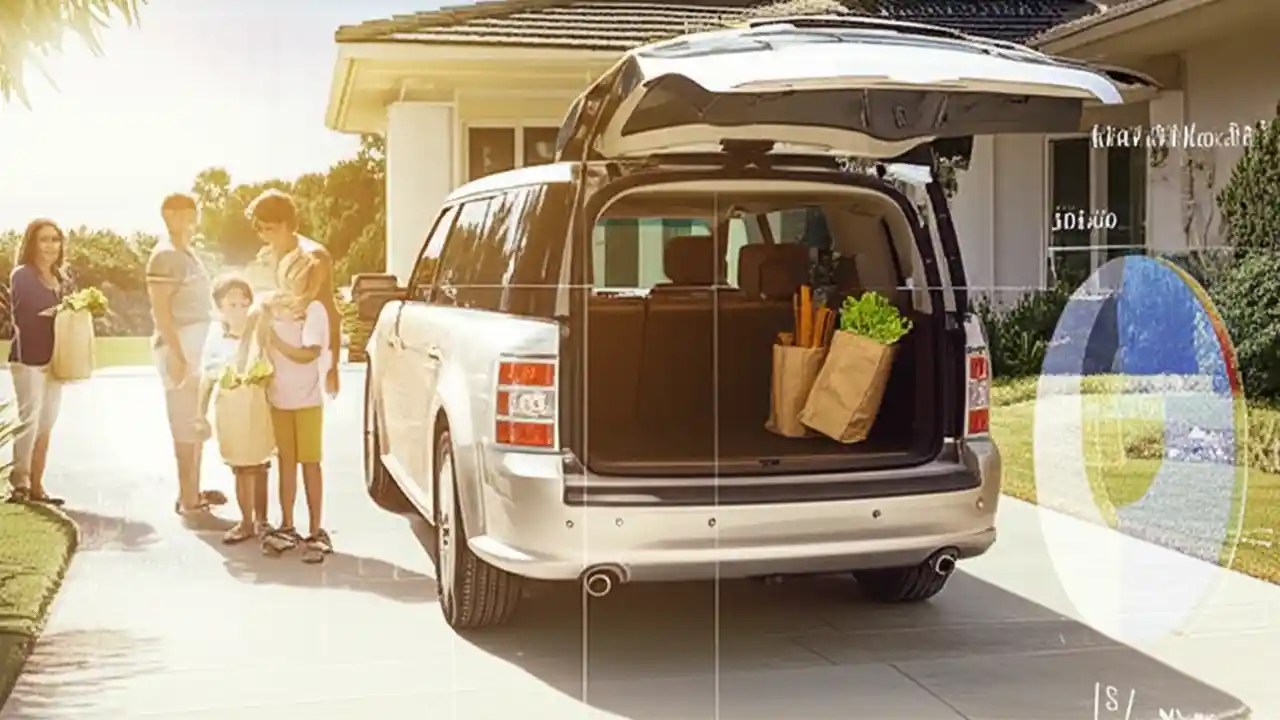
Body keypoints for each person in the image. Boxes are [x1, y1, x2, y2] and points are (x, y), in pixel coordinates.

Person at [146, 192, 226, 522]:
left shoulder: (186, 252)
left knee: (195, 421)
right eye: (175, 213)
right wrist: (177, 355)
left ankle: (192, 490)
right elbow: (161, 310)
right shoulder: (164, 255)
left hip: (198, 344)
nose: (183, 219)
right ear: (165, 216)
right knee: (182, 422)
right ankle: (187, 497)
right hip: (179, 344)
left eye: (189, 212)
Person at [258, 250, 332, 563]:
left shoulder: (315, 311)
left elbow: (309, 353)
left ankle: (316, 529)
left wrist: (278, 343)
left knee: (310, 464)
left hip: (307, 401)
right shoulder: (271, 308)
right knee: (285, 463)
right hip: (279, 399)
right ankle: (287, 524)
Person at [243, 189, 341, 398]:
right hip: (272, 346)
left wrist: (333, 365)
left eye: (270, 229)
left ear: (287, 223)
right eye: (260, 230)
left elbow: (330, 311)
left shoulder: (314, 257)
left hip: (303, 349)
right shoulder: (267, 254)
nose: (264, 236)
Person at [196, 274, 270, 543]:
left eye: (243, 304)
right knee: (241, 466)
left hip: (258, 405)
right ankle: (246, 521)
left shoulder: (261, 333)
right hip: (230, 407)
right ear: (219, 308)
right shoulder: (215, 338)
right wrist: (199, 414)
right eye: (231, 305)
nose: (238, 311)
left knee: (260, 463)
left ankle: (262, 520)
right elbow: (207, 378)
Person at [6, 219, 69, 505]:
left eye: (55, 240)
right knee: (29, 422)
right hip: (29, 358)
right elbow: (23, 315)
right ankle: (19, 484)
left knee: (46, 424)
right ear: (32, 243)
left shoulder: (62, 278)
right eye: (44, 240)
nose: (50, 246)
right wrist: (62, 310)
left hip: (56, 359)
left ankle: (37, 486)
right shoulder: (22, 275)